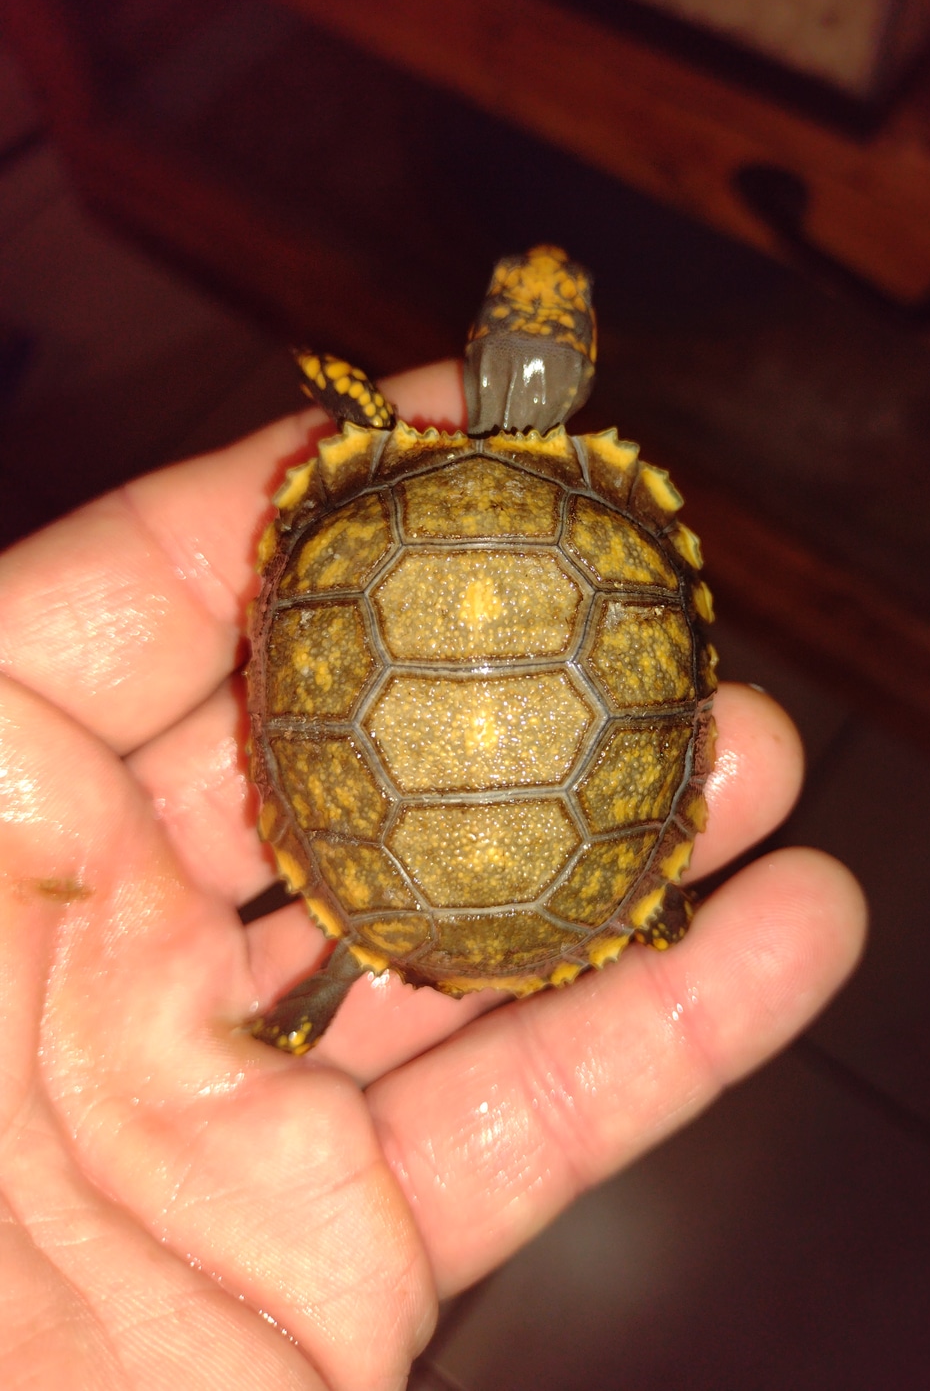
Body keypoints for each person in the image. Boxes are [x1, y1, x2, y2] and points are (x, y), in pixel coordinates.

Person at [0, 359, 865, 1390]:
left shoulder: (375, 467)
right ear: (573, 374)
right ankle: (633, 901)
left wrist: (360, 423)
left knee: (382, 894)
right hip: (582, 883)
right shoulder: (598, 498)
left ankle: (352, 954)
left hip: (393, 878)